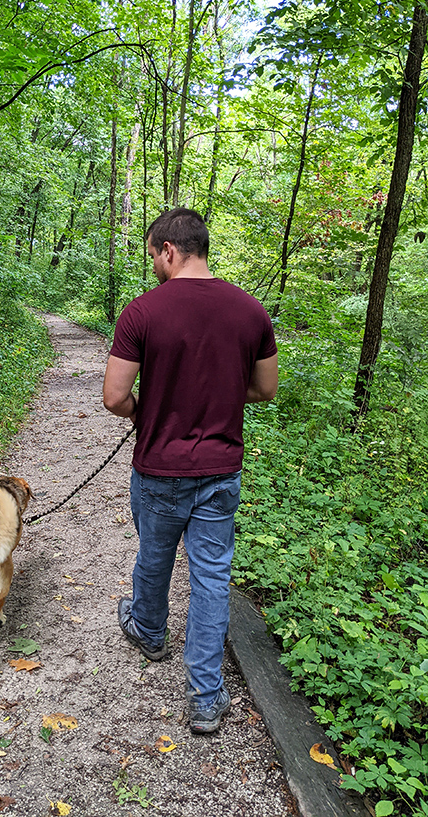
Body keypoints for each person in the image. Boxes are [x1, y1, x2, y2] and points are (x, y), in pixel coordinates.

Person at [102, 207, 278, 735]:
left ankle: (149, 632)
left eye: (154, 254)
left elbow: (114, 397)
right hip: (222, 469)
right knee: (211, 576)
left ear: (169, 251)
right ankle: (206, 696)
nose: (153, 264)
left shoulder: (141, 313)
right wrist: (222, 396)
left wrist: (145, 408)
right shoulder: (250, 313)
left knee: (154, 556)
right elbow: (265, 390)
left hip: (159, 467)